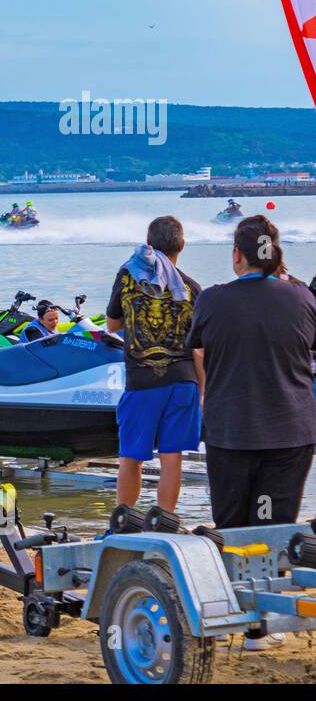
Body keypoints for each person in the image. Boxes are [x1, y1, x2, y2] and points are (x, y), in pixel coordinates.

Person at [186, 216, 316, 651]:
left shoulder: (212, 300)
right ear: (277, 252)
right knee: (274, 525)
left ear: (237, 254)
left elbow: (197, 346)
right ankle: (264, 625)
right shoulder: (301, 297)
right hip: (291, 428)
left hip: (231, 429)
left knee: (233, 525)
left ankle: (242, 618)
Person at [105, 216, 203, 515]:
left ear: (148, 242)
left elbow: (112, 325)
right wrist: (203, 389)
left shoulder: (127, 276)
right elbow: (199, 349)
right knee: (171, 456)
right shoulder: (192, 288)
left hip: (142, 380)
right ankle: (166, 522)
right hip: (183, 379)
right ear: (182, 246)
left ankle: (124, 522)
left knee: (130, 457)